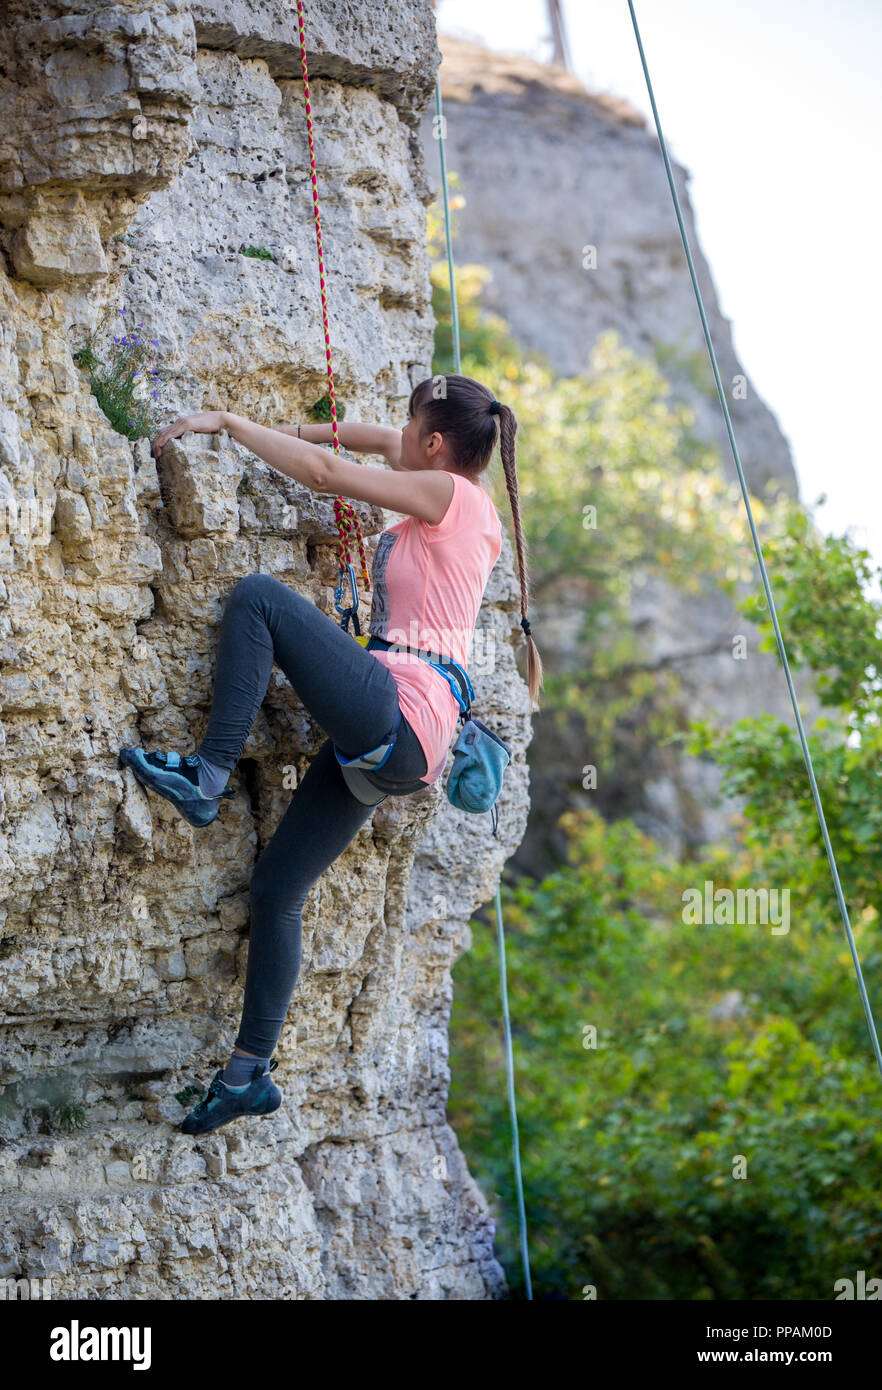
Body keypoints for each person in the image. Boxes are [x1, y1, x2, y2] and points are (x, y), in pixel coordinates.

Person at [118, 375, 543, 1134]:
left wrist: (231, 421)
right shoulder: (448, 489)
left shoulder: (453, 499)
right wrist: (312, 428)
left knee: (258, 597)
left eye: (415, 426)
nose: (400, 434)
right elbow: (373, 442)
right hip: (395, 744)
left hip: (403, 713)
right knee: (278, 889)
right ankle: (249, 1074)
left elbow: (327, 475)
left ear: (437, 446)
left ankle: (207, 775)